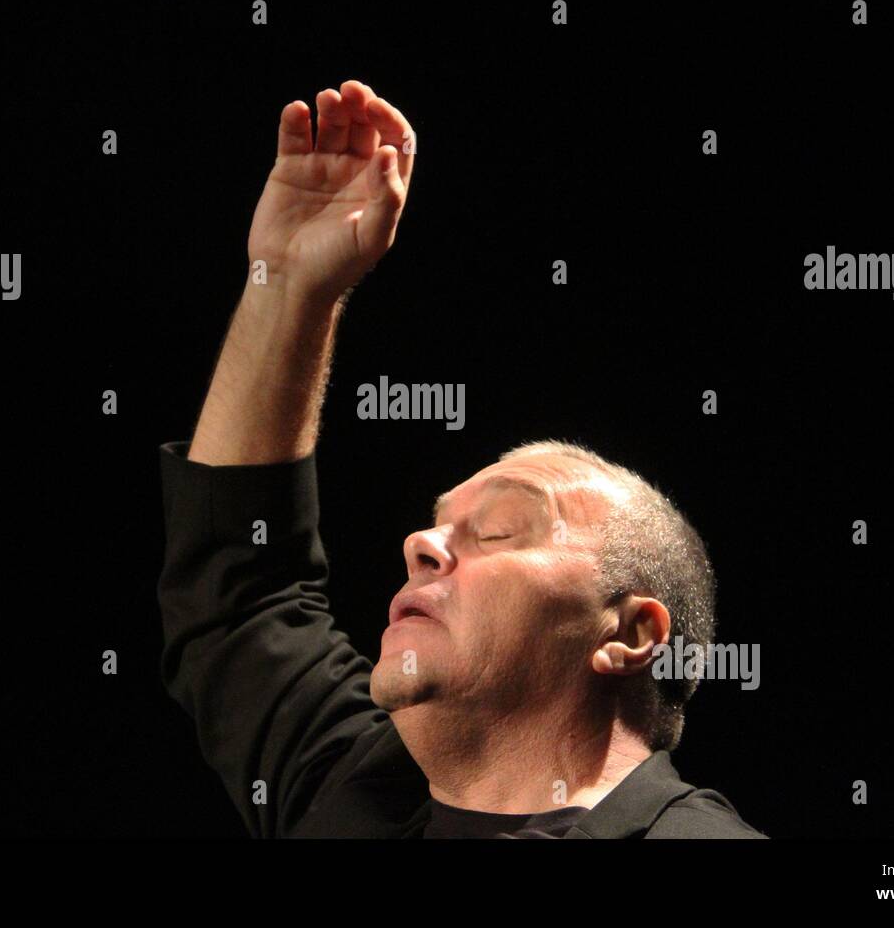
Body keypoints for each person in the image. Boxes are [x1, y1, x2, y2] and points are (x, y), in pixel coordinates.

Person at [157, 79, 765, 838]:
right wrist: (287, 285)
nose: (421, 547)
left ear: (630, 635)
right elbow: (236, 593)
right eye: (436, 528)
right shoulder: (349, 787)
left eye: (502, 531)